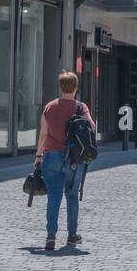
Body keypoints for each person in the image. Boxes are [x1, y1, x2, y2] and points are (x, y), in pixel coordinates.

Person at [34, 71, 96, 251]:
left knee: (53, 197)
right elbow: (91, 127)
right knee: (72, 196)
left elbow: (44, 134)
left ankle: (51, 237)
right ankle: (71, 236)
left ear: (60, 87)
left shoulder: (49, 107)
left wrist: (38, 156)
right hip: (74, 159)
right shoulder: (80, 107)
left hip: (51, 156)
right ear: (75, 87)